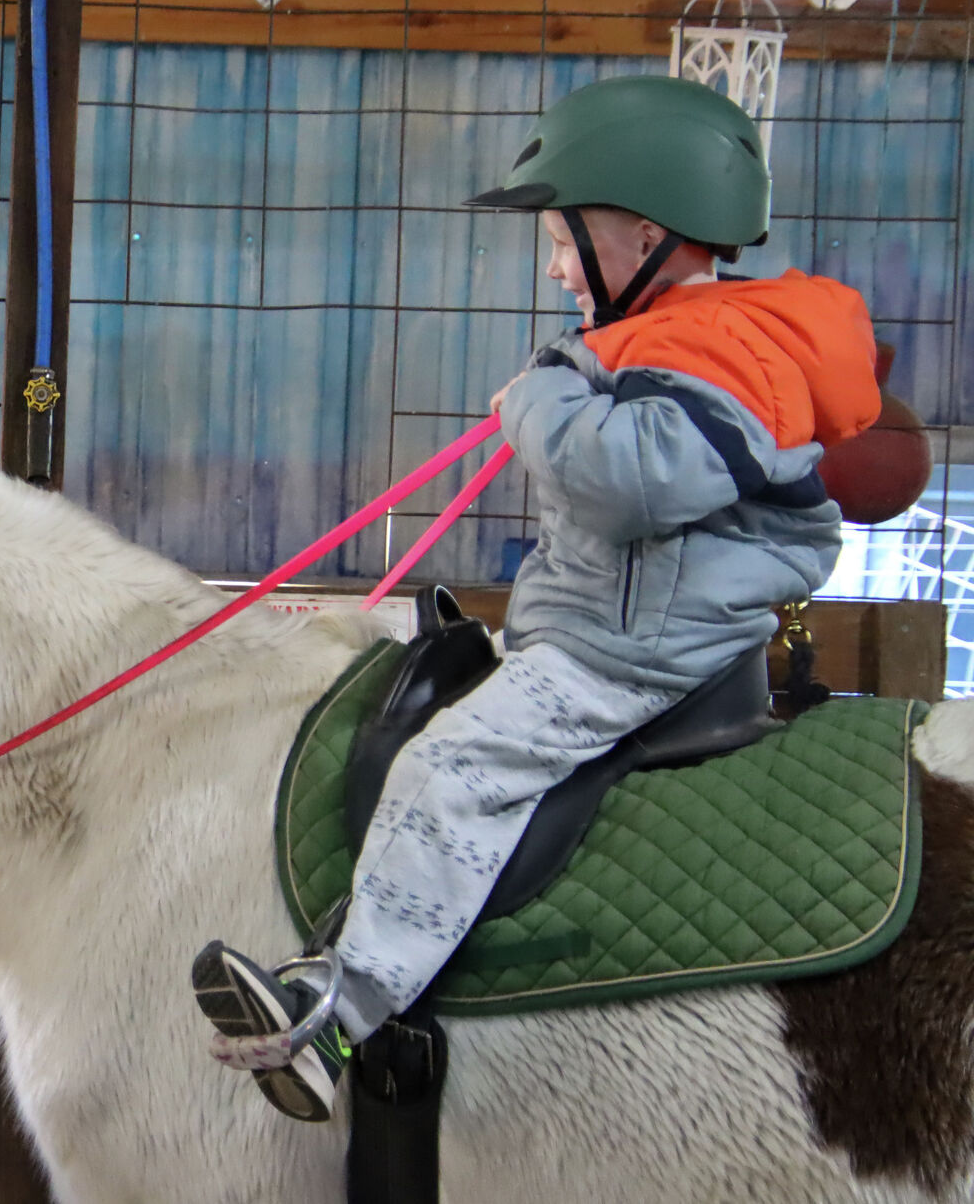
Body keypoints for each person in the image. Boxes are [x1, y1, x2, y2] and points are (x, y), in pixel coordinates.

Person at [191, 75, 885, 1122]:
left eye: (563, 241)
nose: (554, 268)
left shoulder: (712, 346)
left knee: (451, 766)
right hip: (619, 619)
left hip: (631, 650)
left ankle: (337, 1010)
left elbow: (634, 482)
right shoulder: (695, 336)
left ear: (640, 237)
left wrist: (542, 394)